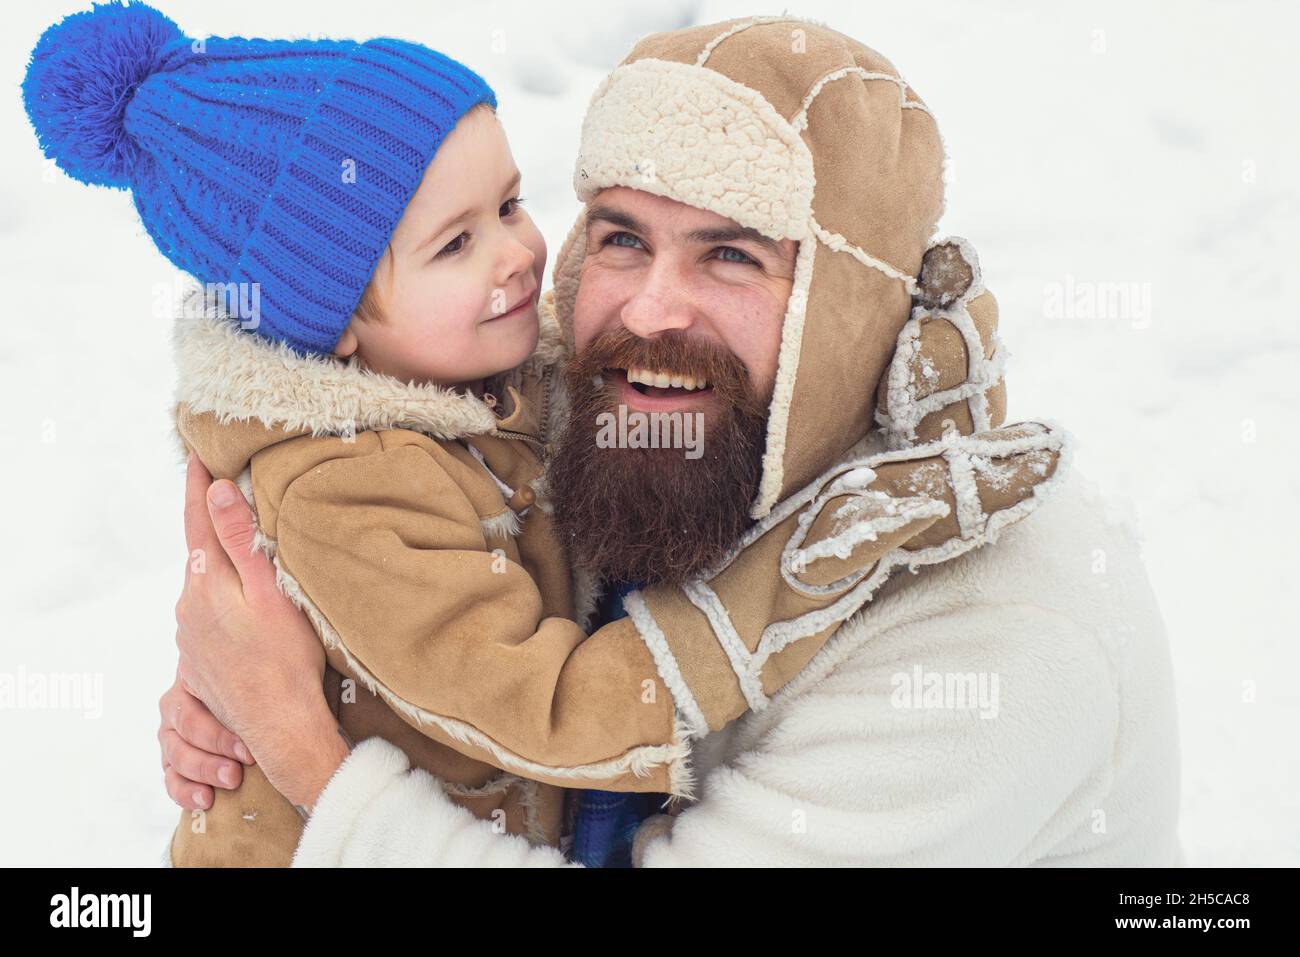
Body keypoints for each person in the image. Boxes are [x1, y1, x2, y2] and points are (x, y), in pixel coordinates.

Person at [24, 6, 1065, 867]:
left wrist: (293, 732)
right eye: (617, 236)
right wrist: (797, 570)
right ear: (335, 326)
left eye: (513, 206)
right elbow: (556, 712)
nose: (523, 258)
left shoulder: (990, 650)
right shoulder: (352, 481)